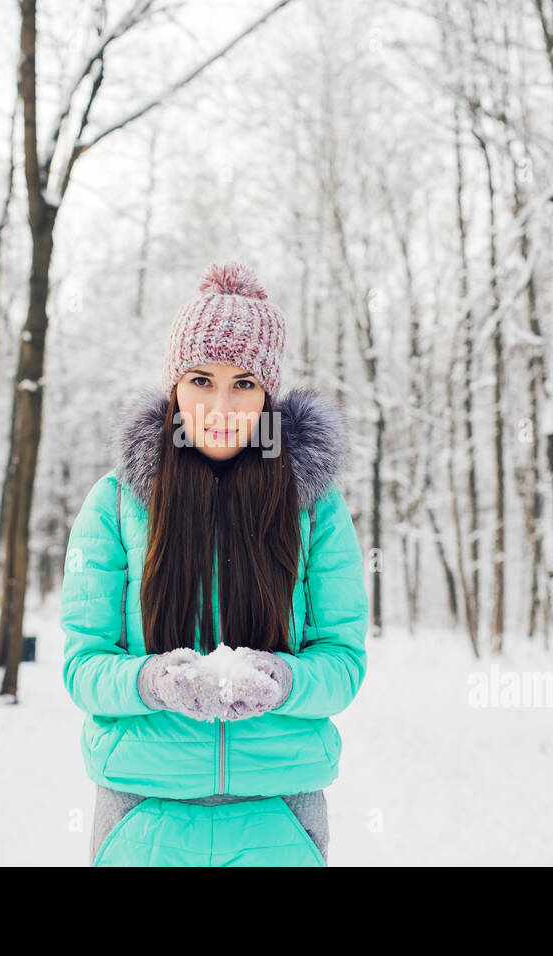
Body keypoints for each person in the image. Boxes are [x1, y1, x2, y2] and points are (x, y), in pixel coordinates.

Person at [60, 260, 370, 866]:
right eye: (201, 380)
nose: (220, 405)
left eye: (244, 384)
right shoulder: (114, 505)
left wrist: (284, 682)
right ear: (174, 386)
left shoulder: (314, 511)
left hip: (278, 806)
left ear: (269, 395)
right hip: (141, 807)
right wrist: (155, 683)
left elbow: (344, 661)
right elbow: (82, 665)